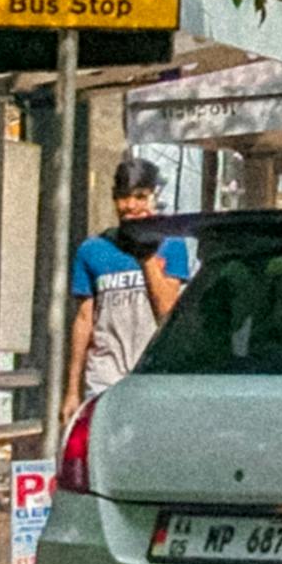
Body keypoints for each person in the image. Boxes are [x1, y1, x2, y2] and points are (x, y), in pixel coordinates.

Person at [61, 156, 197, 422]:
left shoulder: (172, 245)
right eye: (124, 197)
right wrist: (71, 390)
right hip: (104, 377)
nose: (131, 206)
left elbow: (167, 311)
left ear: (153, 197)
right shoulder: (92, 249)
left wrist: (146, 258)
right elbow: (84, 319)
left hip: (153, 376)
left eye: (140, 197)